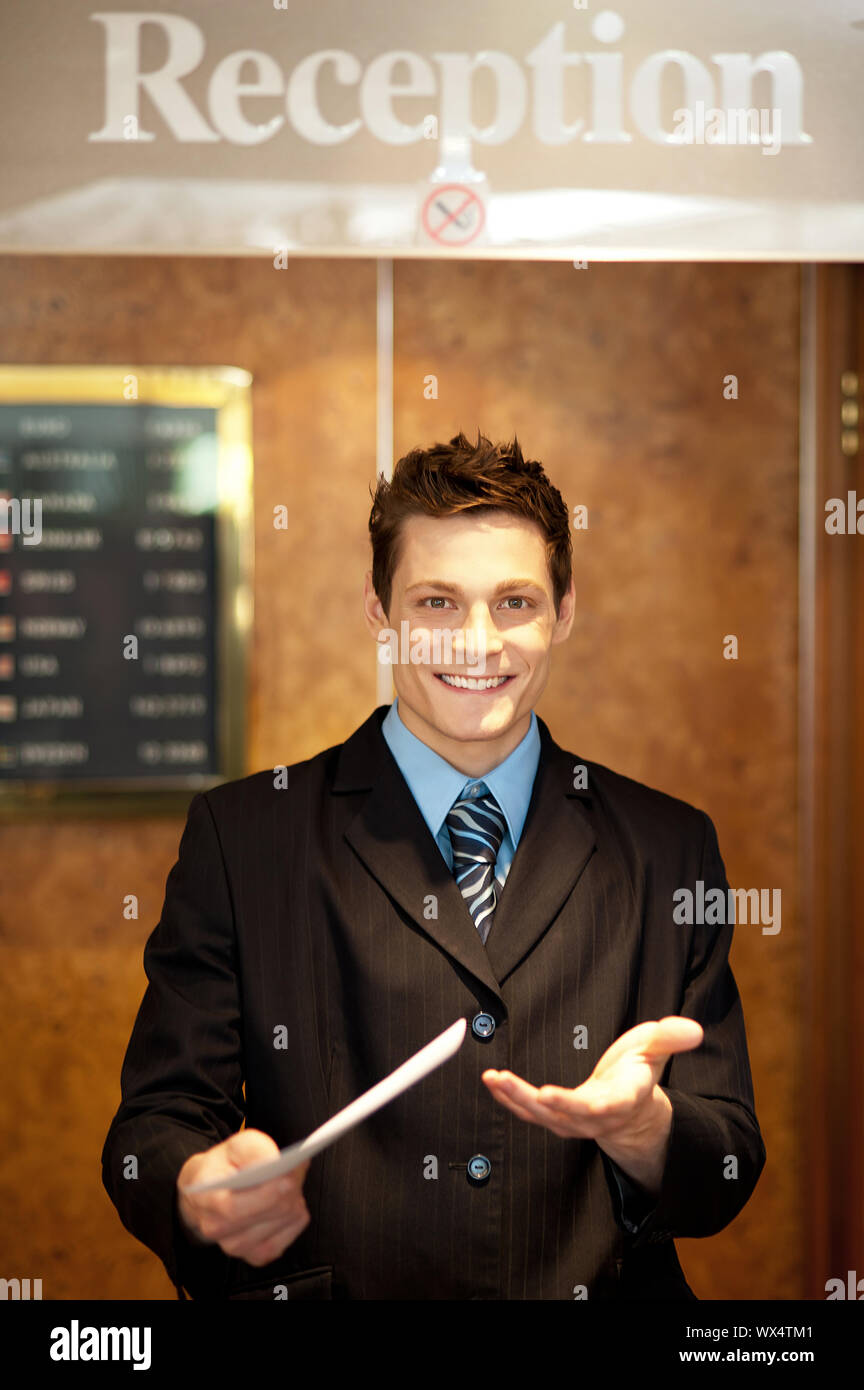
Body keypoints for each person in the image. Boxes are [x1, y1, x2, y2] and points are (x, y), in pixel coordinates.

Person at [102, 429, 765, 1300]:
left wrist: (647, 1128)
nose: (477, 643)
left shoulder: (672, 845)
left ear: (565, 612)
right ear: (380, 615)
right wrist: (199, 1185)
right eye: (438, 604)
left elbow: (728, 1159)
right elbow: (153, 1126)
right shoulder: (243, 836)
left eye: (515, 602)